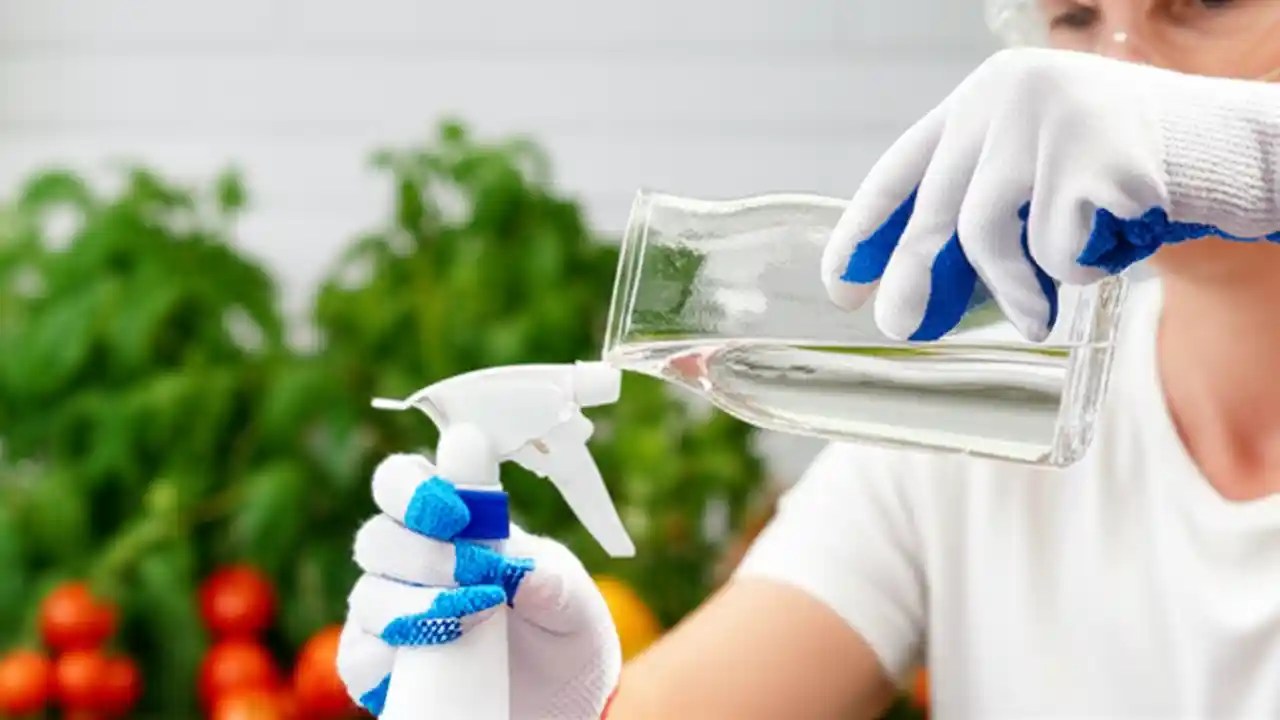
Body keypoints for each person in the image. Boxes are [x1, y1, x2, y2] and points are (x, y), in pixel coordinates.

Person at [337, 1, 1280, 717]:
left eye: (1204, 0)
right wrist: (553, 696)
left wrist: (1250, 152)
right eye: (1075, 15)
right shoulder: (971, 411)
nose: (1115, 64)